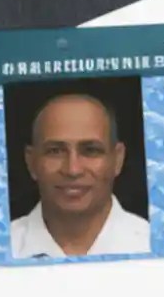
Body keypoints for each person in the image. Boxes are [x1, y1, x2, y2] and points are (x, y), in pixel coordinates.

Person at [11, 93, 150, 258]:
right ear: (31, 162)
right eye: (55, 151)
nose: (73, 170)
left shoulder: (156, 245)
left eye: (90, 150)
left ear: (118, 159)